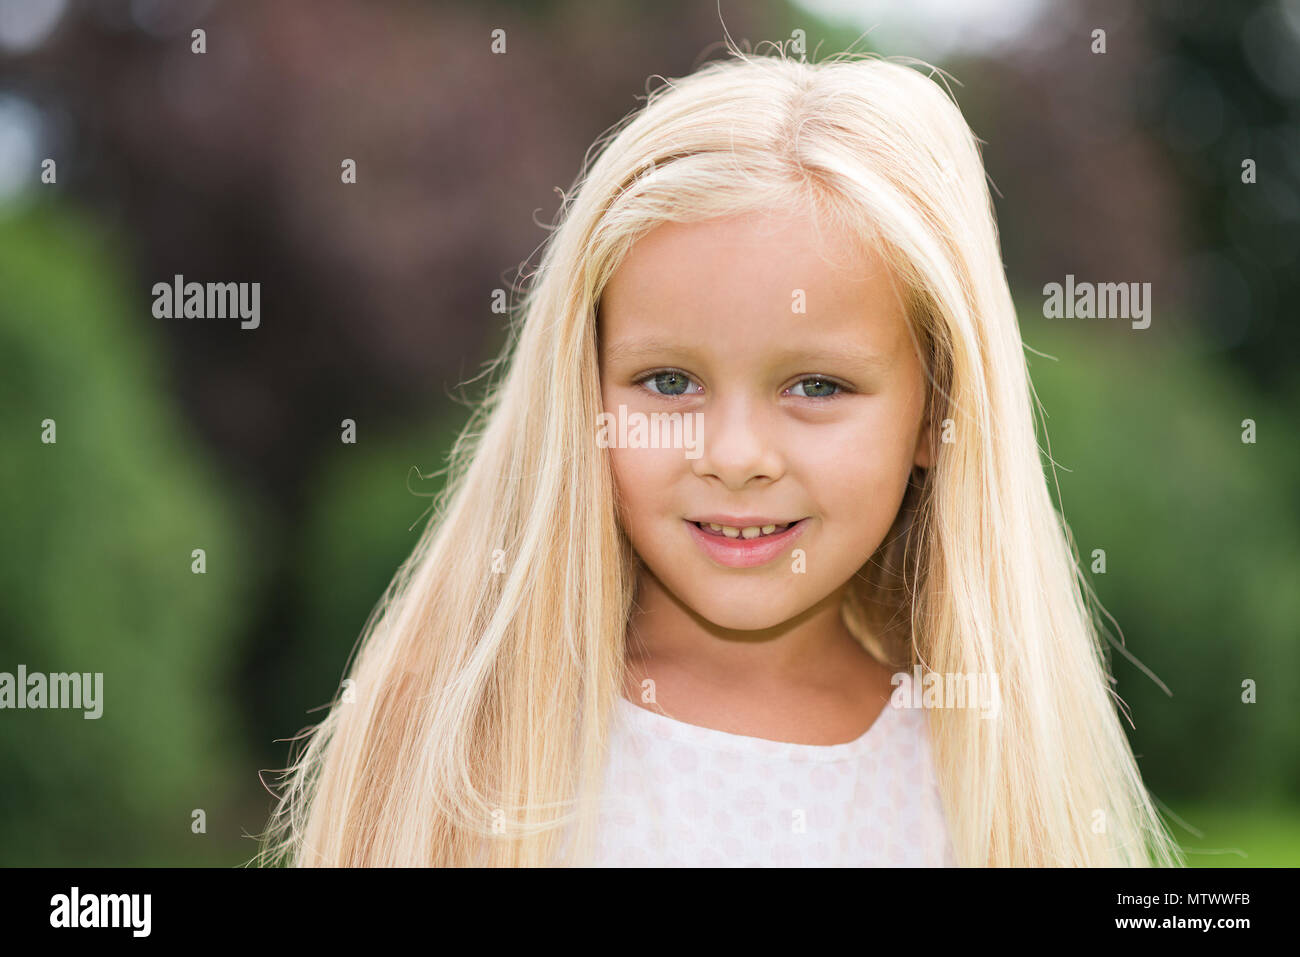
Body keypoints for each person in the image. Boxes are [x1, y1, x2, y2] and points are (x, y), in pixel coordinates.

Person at [255, 44, 1183, 867]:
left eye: (816, 386)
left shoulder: (984, 765)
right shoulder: (451, 734)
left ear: (937, 411)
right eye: (667, 382)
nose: (734, 456)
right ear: (579, 397)